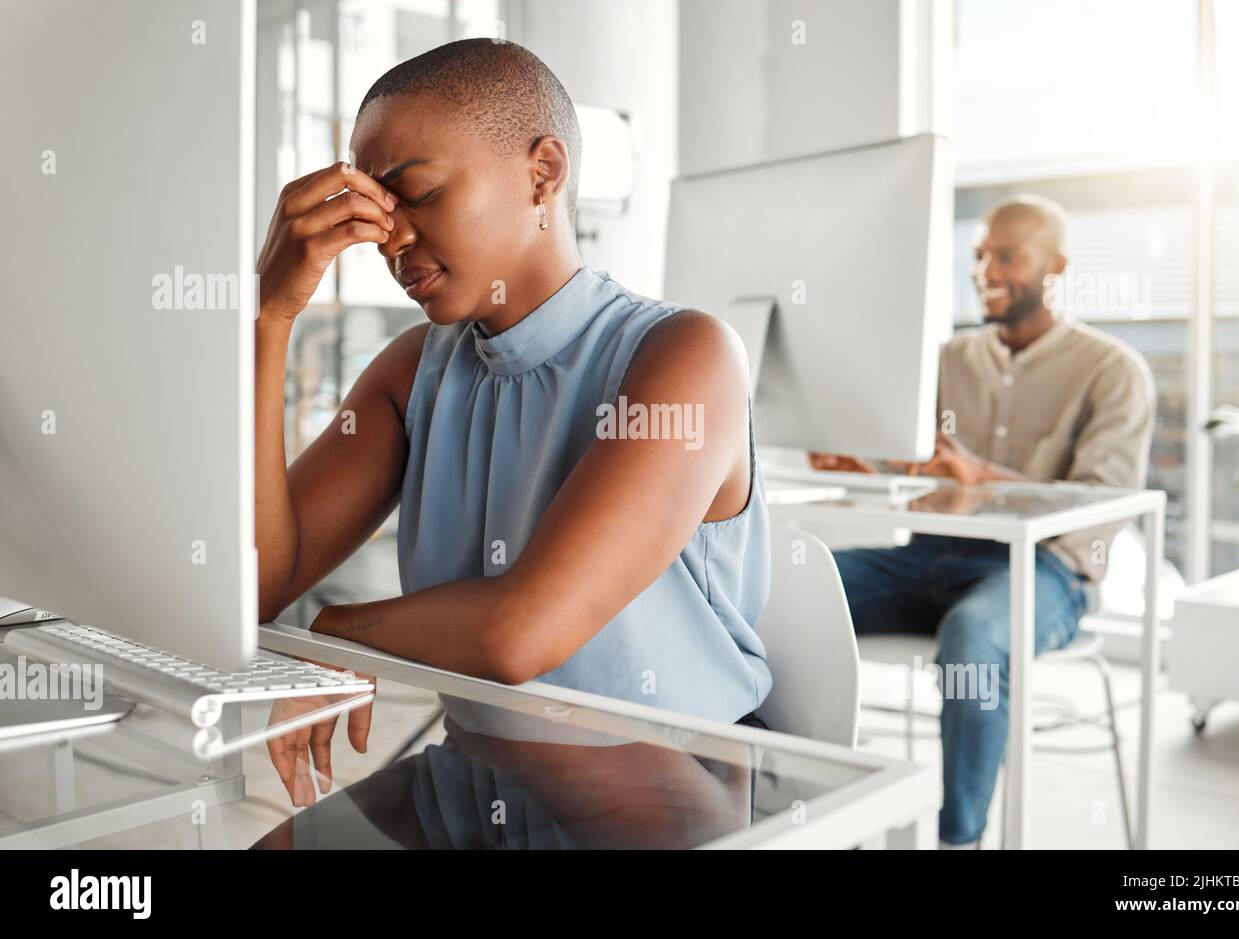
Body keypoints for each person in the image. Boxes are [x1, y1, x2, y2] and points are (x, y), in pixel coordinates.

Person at [253, 39, 771, 804]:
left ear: (543, 173)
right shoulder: (413, 369)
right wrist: (268, 317)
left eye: (417, 193)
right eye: (378, 208)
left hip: (672, 791)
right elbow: (259, 581)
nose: (392, 238)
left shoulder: (685, 355)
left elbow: (520, 633)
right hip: (481, 779)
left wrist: (337, 630)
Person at [813, 195, 1156, 848]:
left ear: (1056, 266)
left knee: (973, 636)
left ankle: (958, 841)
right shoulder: (947, 360)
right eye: (978, 255)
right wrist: (860, 463)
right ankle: (796, 810)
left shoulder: (1112, 370)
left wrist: (988, 477)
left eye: (1007, 256)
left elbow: (1101, 502)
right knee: (788, 596)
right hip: (926, 556)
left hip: (1045, 572)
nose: (985, 271)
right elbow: (916, 464)